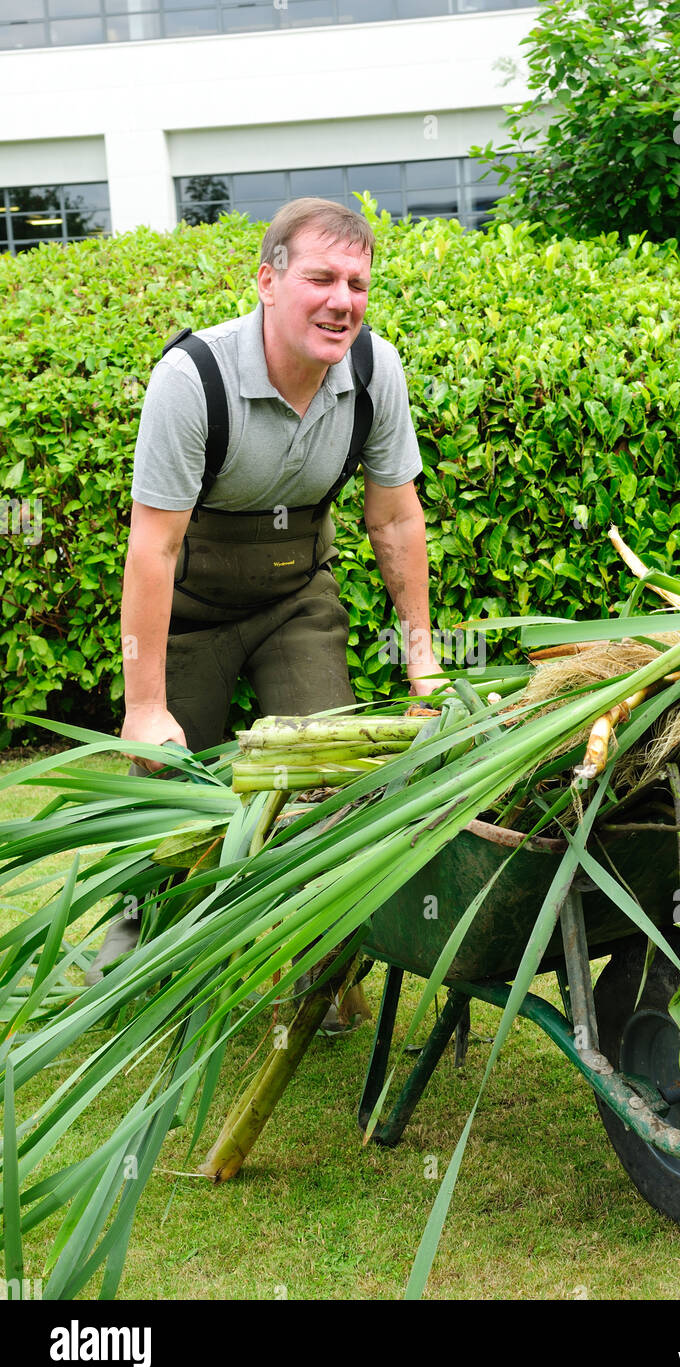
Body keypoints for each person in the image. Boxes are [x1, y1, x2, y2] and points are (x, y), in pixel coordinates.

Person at [85, 198, 445, 1008]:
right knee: (174, 791)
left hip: (294, 597)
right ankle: (129, 959)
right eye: (320, 277)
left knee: (329, 781)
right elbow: (154, 547)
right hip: (192, 607)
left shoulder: (372, 370)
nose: (341, 300)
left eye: (356, 282)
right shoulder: (192, 379)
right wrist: (144, 706)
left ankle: (320, 963)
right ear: (268, 281)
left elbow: (393, 517)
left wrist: (421, 654)